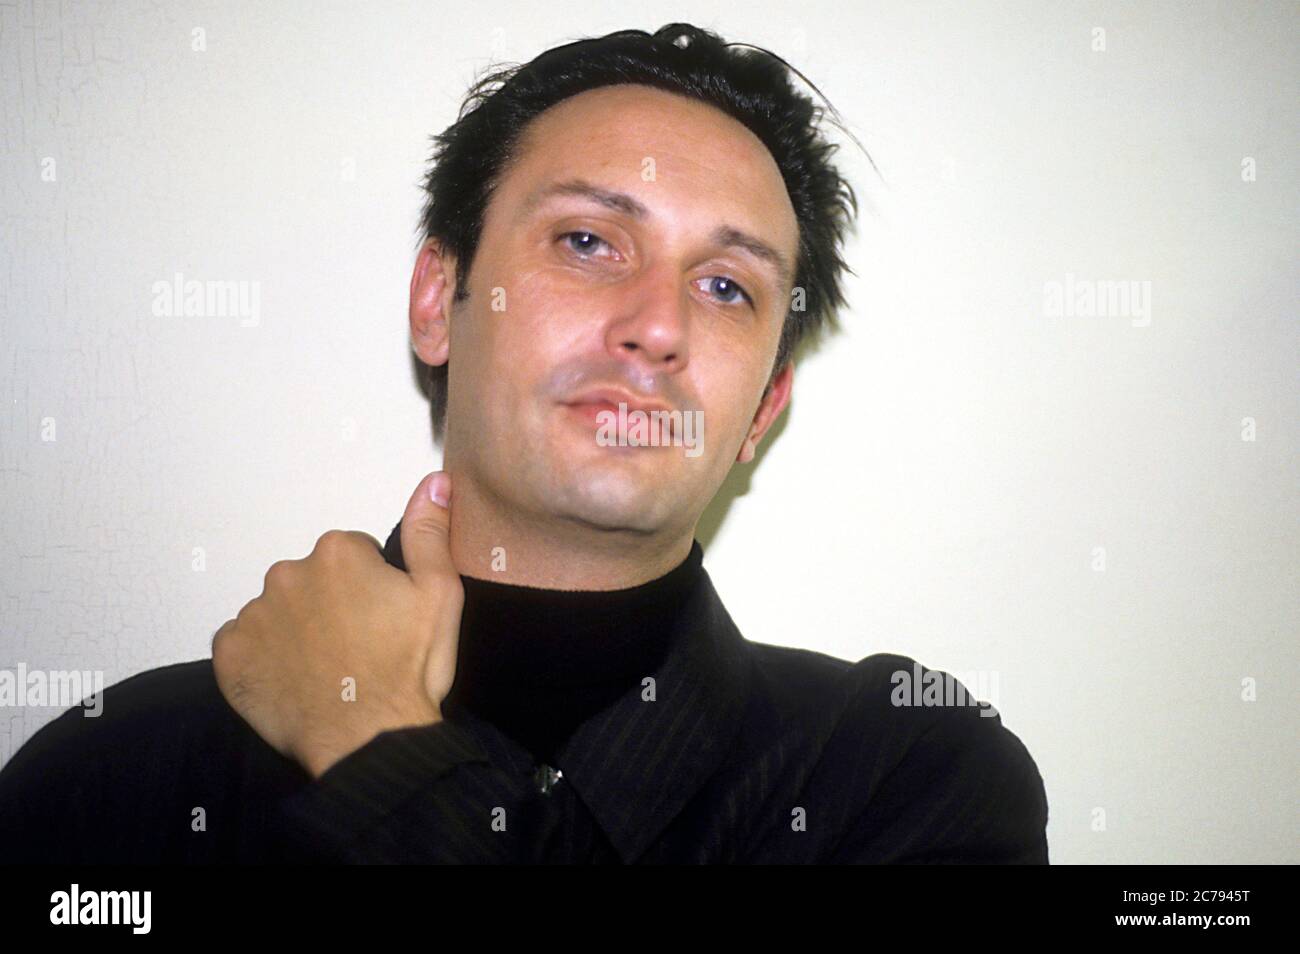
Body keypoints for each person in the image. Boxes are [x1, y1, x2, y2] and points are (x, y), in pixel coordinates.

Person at [0, 22, 1049, 863]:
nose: (660, 325)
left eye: (726, 286)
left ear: (763, 408)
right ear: (435, 301)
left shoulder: (907, 775)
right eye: (588, 241)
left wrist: (378, 751)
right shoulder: (116, 777)